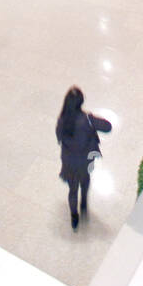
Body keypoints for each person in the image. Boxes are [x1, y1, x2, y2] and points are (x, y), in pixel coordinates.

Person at [56, 87, 112, 230]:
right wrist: (92, 118)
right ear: (81, 102)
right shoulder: (87, 120)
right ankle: (84, 204)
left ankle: (74, 216)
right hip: (85, 160)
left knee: (72, 189)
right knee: (85, 179)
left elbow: (59, 138)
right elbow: (108, 126)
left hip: (69, 161)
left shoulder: (62, 120)